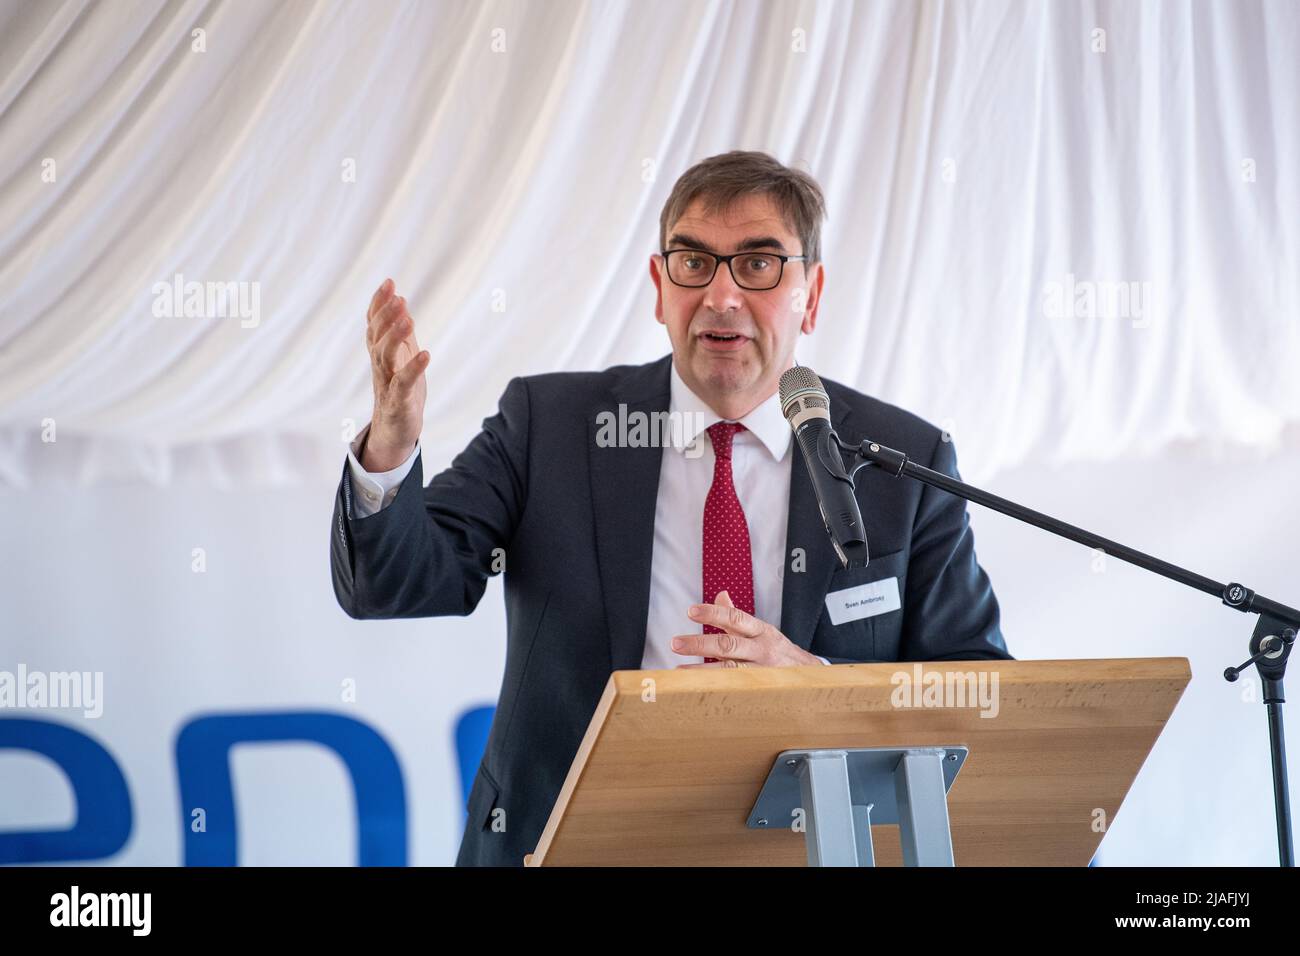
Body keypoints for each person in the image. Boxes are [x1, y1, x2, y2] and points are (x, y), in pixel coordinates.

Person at [329, 150, 1010, 866]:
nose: (721, 296)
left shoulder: (902, 459)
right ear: (659, 287)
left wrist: (821, 688)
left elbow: (974, 689)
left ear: (811, 294)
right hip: (578, 846)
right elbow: (391, 585)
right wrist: (390, 450)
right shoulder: (550, 425)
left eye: (758, 264)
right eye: (693, 262)